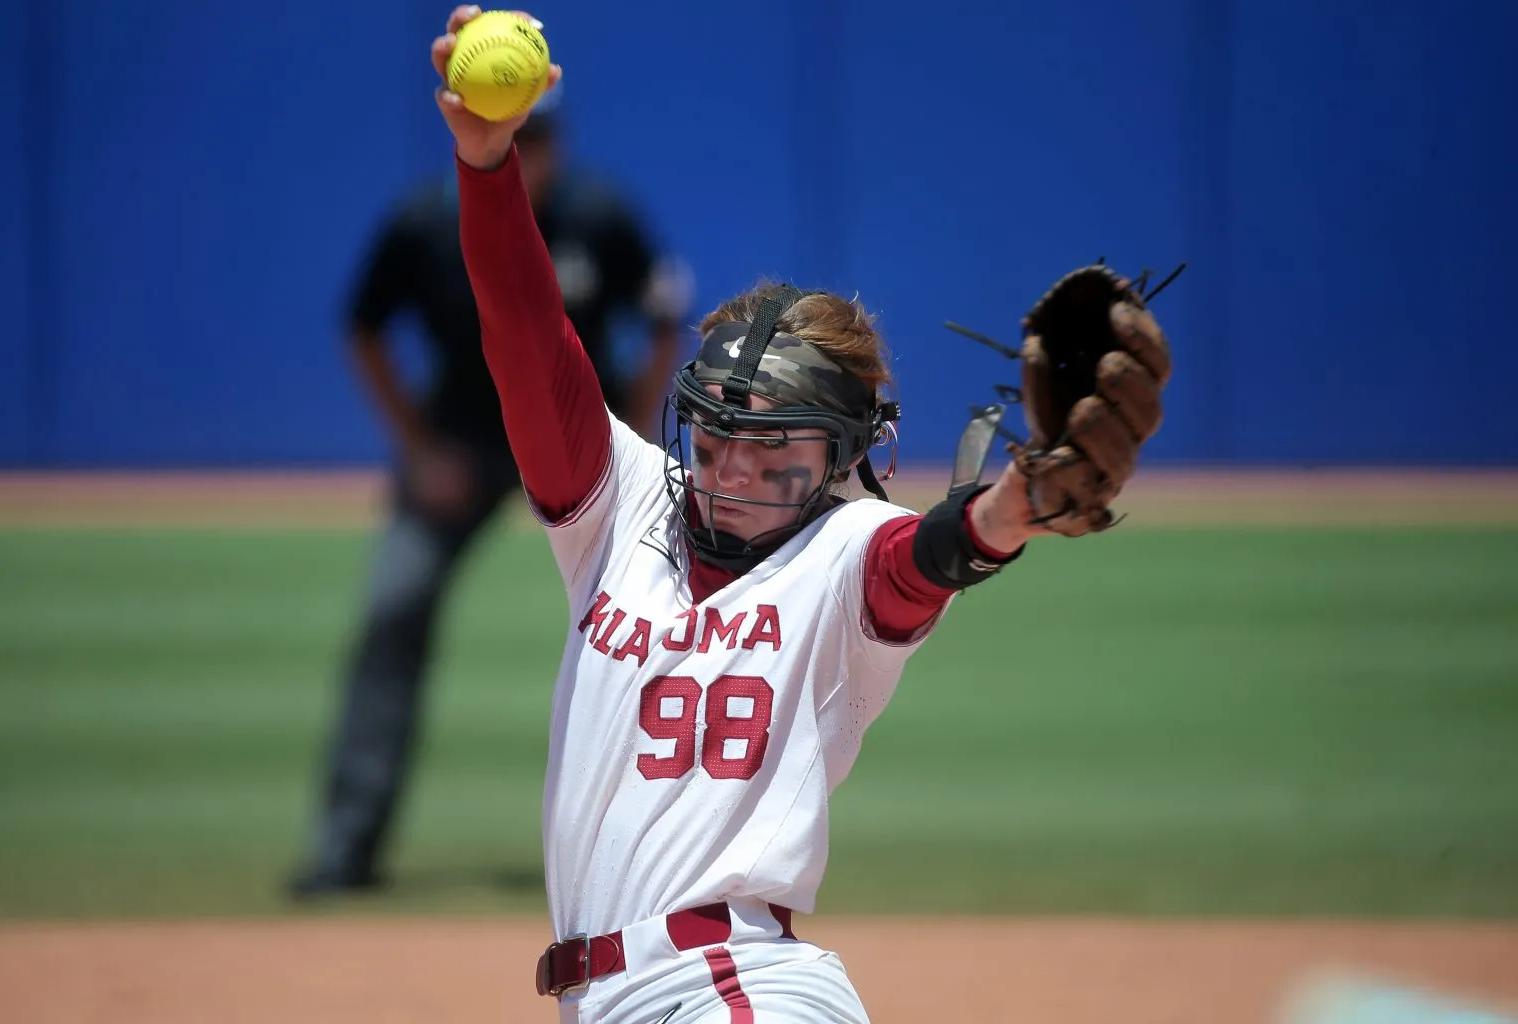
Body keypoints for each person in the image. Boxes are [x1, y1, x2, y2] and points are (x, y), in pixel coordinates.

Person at [432, 6, 1167, 1020]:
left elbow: (934, 555)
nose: (733, 467)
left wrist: (1022, 497)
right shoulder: (620, 509)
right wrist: (488, 162)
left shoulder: (845, 550)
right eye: (718, 436)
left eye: (775, 449)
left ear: (844, 460)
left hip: (735, 990)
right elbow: (524, 337)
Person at [288, 80, 690, 899]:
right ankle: (344, 849)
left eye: (542, 138)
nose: (533, 153)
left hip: (589, 453)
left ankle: (664, 856)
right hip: (463, 448)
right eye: (522, 137)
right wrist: (418, 447)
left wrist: (640, 435)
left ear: (558, 144)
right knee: (392, 611)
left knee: (666, 624)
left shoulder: (601, 217)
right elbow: (363, 328)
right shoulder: (423, 222)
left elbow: (663, 321)